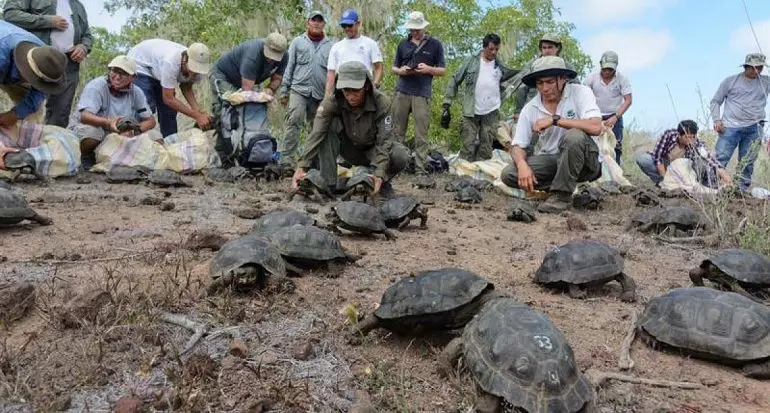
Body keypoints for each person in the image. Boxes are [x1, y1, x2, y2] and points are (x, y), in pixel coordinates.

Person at [291, 61, 409, 199]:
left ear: (366, 86)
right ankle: (329, 184)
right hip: (349, 149)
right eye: (346, 90)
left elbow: (385, 141)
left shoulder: (382, 103)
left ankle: (378, 181)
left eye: (355, 90)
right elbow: (316, 134)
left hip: (374, 151)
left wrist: (380, 172)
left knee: (400, 155)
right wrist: (302, 167)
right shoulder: (331, 102)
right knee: (326, 126)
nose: (350, 96)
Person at [500, 56, 603, 213]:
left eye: (549, 82)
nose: (545, 88)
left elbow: (596, 127)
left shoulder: (581, 93)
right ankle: (557, 187)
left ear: (562, 79)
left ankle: (561, 197)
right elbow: (517, 146)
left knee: (574, 135)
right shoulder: (530, 108)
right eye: (540, 83)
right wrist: (522, 165)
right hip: (554, 161)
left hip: (586, 161)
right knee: (509, 174)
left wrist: (555, 120)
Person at [3, 0, 92, 128]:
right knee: (27, 110)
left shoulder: (77, 6)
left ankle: (46, 146)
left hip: (65, 65)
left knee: (59, 112)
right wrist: (47, 21)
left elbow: (87, 35)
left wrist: (83, 47)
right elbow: (10, 14)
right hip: (28, 58)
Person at [209, 33, 288, 166]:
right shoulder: (253, 53)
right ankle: (225, 157)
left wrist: (269, 90)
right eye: (269, 55)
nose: (271, 60)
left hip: (247, 81)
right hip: (224, 77)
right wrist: (262, 98)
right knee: (228, 113)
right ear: (265, 47)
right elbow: (247, 92)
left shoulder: (285, 56)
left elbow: (277, 79)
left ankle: (249, 154)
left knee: (252, 116)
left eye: (275, 57)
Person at [68, 55, 156, 169]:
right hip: (95, 127)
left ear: (133, 78)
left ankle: (118, 158)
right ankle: (85, 156)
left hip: (119, 132)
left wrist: (134, 131)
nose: (117, 77)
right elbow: (84, 116)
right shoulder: (96, 86)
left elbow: (150, 121)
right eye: (114, 71)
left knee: (155, 136)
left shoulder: (136, 92)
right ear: (109, 71)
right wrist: (108, 123)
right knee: (92, 133)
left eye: (123, 73)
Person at [442, 33, 518, 162]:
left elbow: (512, 79)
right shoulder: (471, 61)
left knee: (486, 146)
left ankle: (482, 174)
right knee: (468, 144)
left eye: (497, 49)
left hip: (491, 110)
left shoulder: (500, 65)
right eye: (491, 49)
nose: (494, 52)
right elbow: (455, 79)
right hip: (471, 110)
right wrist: (447, 103)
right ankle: (464, 172)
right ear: (484, 47)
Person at [278, 10, 333, 174]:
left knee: (316, 127)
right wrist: (284, 90)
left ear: (324, 24)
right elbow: (290, 66)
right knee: (293, 121)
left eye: (320, 20)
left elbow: (333, 72)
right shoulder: (297, 42)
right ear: (307, 23)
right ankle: (286, 160)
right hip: (298, 90)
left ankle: (310, 162)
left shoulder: (331, 45)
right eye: (313, 20)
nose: (316, 23)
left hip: (320, 94)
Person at [391, 11, 445, 173]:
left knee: (421, 133)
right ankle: (396, 167)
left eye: (418, 29)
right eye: (412, 29)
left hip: (422, 93)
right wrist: (401, 71)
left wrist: (428, 69)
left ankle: (420, 169)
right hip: (402, 90)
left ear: (423, 27)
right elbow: (394, 67)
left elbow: (442, 70)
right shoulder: (403, 44)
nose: (415, 32)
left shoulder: (435, 44)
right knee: (397, 131)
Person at [709, 52, 770, 192]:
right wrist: (717, 120)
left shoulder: (766, 82)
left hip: (755, 126)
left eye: (760, 68)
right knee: (720, 157)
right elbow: (715, 101)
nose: (757, 71)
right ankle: (709, 186)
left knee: (748, 160)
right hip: (730, 126)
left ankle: (740, 190)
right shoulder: (730, 81)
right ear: (746, 67)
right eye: (753, 67)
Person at [127, 39, 212, 137]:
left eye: (197, 70)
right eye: (193, 68)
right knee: (146, 106)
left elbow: (186, 87)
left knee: (169, 111)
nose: (194, 73)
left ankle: (171, 143)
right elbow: (168, 99)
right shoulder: (171, 61)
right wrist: (196, 116)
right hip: (141, 63)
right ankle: (131, 140)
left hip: (158, 68)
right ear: (185, 59)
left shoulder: (198, 71)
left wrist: (198, 110)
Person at [0, 20, 68, 128]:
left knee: (33, 112)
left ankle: (22, 141)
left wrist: (15, 114)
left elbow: (38, 94)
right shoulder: (2, 51)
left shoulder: (47, 60)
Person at [635, 120, 732, 187]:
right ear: (679, 135)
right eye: (687, 137)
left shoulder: (696, 143)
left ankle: (695, 184)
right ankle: (661, 182)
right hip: (666, 166)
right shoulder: (668, 135)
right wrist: (666, 179)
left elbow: (711, 160)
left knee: (701, 163)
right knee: (643, 159)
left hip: (685, 171)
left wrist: (725, 176)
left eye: (692, 137)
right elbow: (658, 158)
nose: (690, 140)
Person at [584, 51, 633, 163]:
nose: (607, 72)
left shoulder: (622, 79)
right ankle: (594, 172)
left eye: (610, 69)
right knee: (593, 144)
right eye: (605, 68)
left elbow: (628, 100)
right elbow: (582, 96)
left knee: (615, 145)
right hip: (595, 116)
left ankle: (615, 174)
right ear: (601, 64)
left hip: (615, 115)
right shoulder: (591, 78)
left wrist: (616, 117)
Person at [324, 8, 383, 96]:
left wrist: (375, 85)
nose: (347, 28)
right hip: (342, 91)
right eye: (344, 26)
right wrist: (327, 95)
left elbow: (378, 67)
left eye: (350, 25)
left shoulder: (370, 43)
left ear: (358, 24)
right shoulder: (336, 47)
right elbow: (331, 74)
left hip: (364, 89)